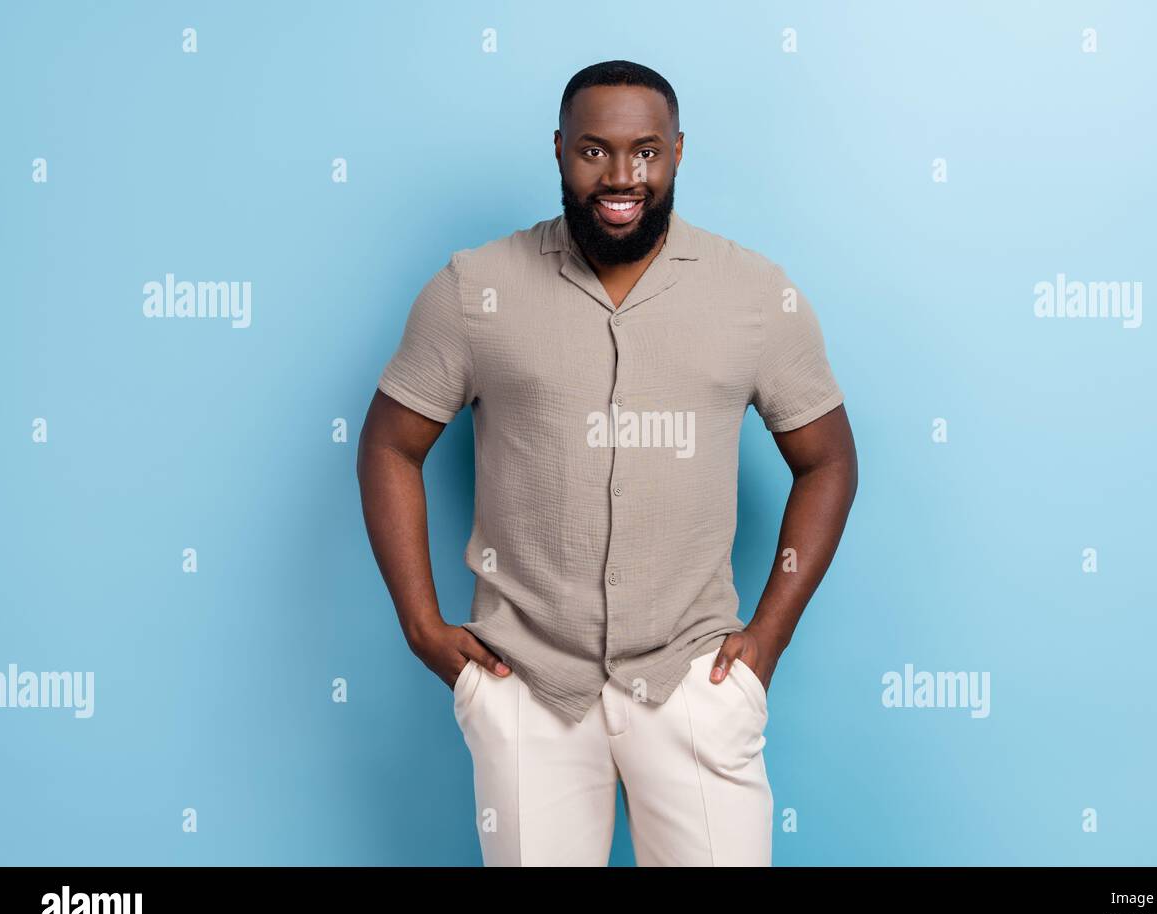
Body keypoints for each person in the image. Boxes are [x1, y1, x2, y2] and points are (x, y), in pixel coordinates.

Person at [357, 60, 858, 866]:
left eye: (646, 151)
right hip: (527, 687)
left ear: (678, 153)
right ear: (559, 151)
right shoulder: (474, 290)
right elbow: (389, 443)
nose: (622, 176)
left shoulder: (756, 295)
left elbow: (828, 459)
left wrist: (767, 641)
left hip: (697, 681)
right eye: (595, 151)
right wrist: (420, 625)